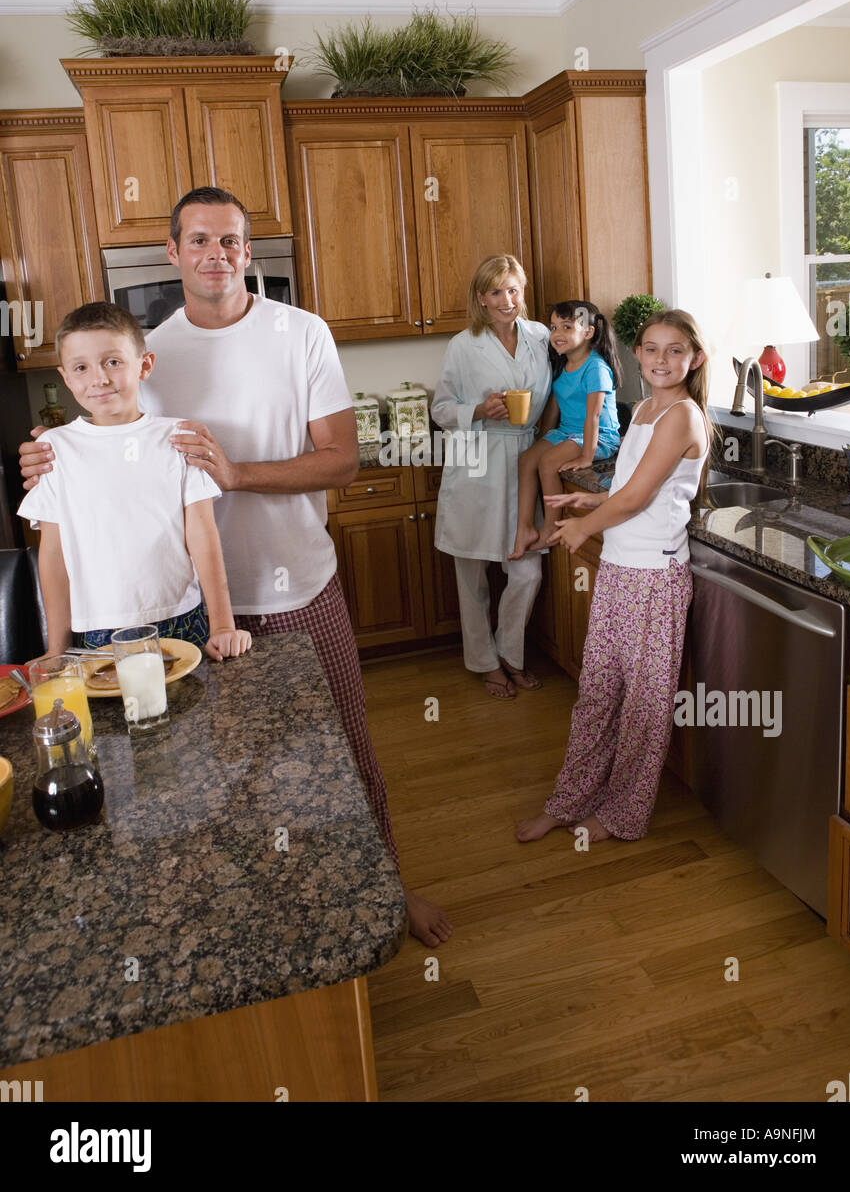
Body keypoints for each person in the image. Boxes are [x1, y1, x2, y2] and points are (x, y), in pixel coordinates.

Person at [19, 186, 450, 948]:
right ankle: (271, 907)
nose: (215, 254)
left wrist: (236, 472)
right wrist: (49, 455)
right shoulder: (149, 352)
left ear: (248, 253)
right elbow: (109, 434)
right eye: (199, 241)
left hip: (297, 581)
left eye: (231, 241)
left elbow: (342, 461)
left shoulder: (303, 333)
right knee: (224, 770)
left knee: (342, 749)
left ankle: (388, 887)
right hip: (184, 613)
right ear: (174, 253)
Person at [515, 309, 711, 845]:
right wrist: (591, 498)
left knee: (645, 707)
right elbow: (630, 486)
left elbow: (640, 498)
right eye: (650, 348)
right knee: (598, 694)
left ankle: (622, 813)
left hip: (655, 577)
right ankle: (570, 799)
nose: (661, 359)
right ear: (637, 355)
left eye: (674, 350)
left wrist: (583, 527)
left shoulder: (683, 417)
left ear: (694, 358)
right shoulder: (646, 408)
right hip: (622, 569)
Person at [17, 301, 251, 663]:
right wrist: (57, 648)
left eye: (113, 361)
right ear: (66, 377)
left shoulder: (178, 437)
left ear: (144, 365)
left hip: (182, 619)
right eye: (81, 367)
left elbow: (203, 536)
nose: (99, 378)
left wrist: (222, 624)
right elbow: (52, 554)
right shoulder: (54, 450)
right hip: (97, 632)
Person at [431, 255, 551, 701]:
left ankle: (512, 655)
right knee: (472, 573)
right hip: (478, 457)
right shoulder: (464, 345)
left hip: (526, 455)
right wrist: (480, 410)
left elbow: (564, 385)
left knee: (526, 571)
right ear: (482, 297)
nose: (507, 300)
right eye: (497, 292)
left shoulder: (541, 336)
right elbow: (441, 410)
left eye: (514, 290)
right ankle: (484, 662)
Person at [509, 299, 621, 560]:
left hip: (599, 436)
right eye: (554, 327)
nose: (557, 334)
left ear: (589, 332)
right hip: (567, 431)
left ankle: (550, 527)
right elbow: (555, 405)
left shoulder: (596, 368)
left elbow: (593, 416)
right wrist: (543, 436)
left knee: (548, 463)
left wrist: (586, 457)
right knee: (527, 459)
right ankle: (524, 528)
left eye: (566, 327)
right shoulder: (561, 364)